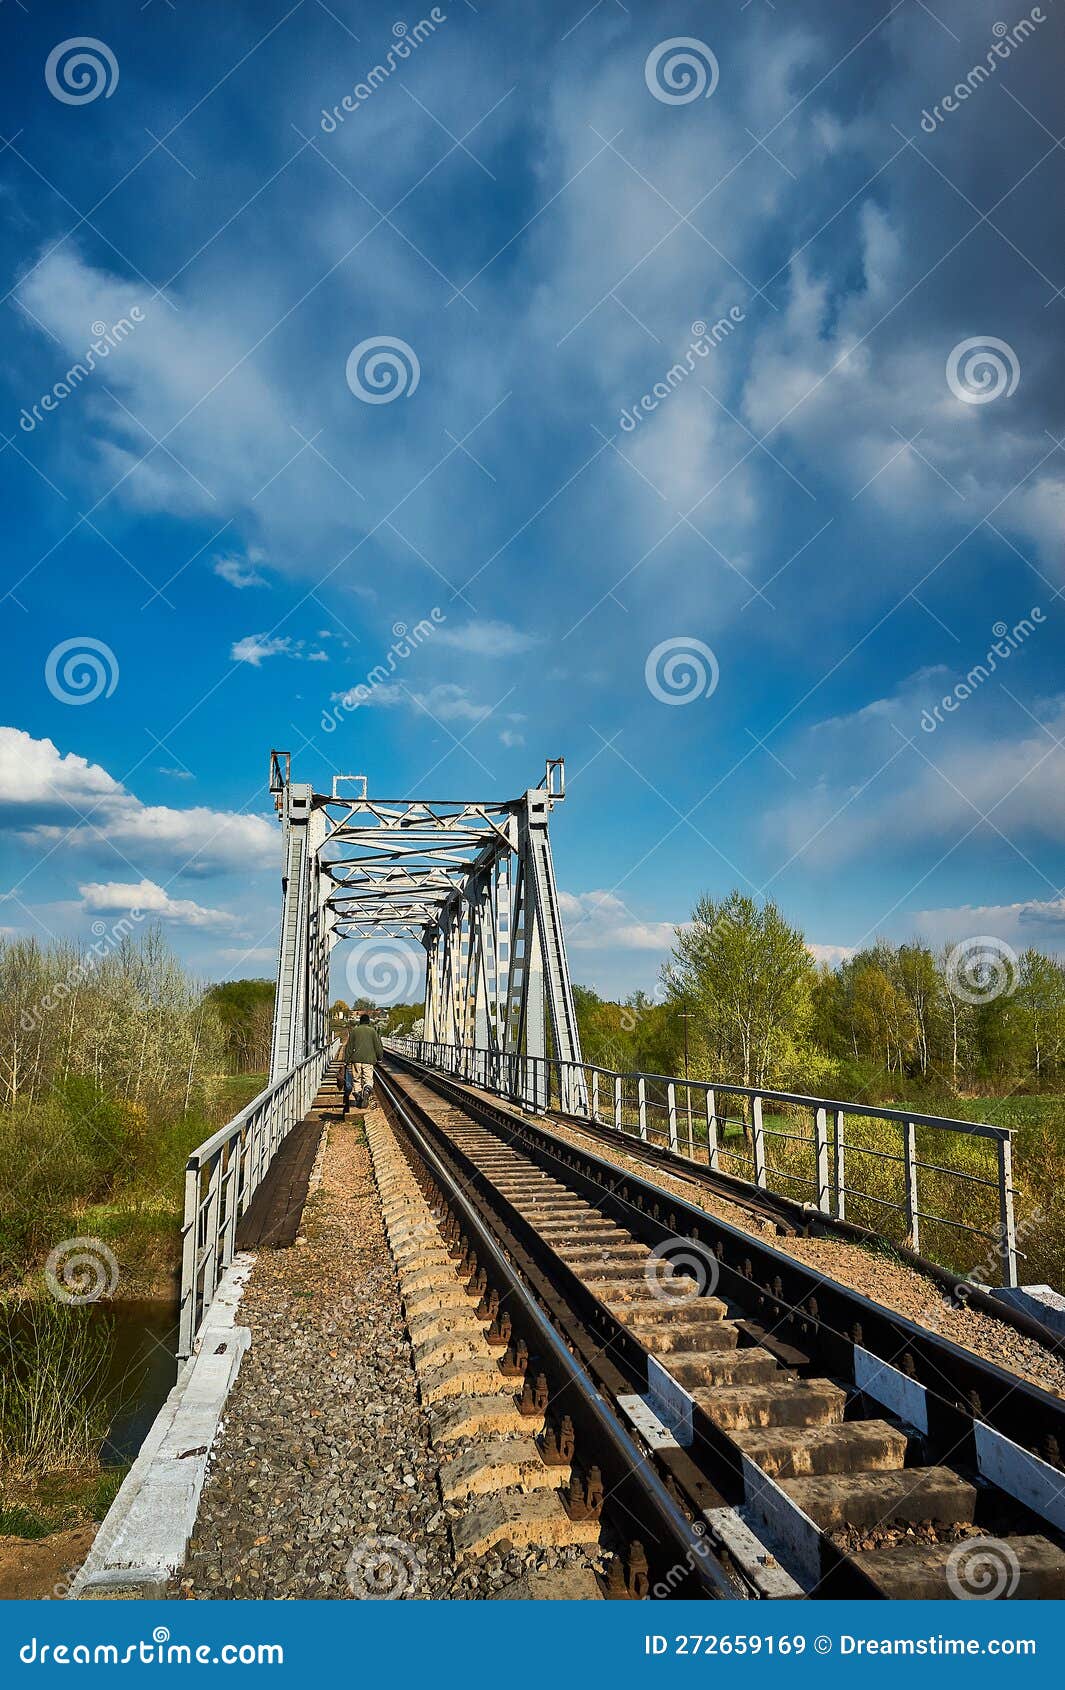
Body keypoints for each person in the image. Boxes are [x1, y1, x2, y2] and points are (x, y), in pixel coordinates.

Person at [342, 1013, 384, 1112]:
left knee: (356, 1079)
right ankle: (367, 1090)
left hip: (356, 1060)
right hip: (369, 1060)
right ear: (368, 1022)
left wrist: (346, 1060)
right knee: (368, 1078)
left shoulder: (354, 1031)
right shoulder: (372, 1031)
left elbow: (349, 1047)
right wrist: (379, 1057)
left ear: (360, 1021)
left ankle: (358, 1095)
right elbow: (378, 1046)